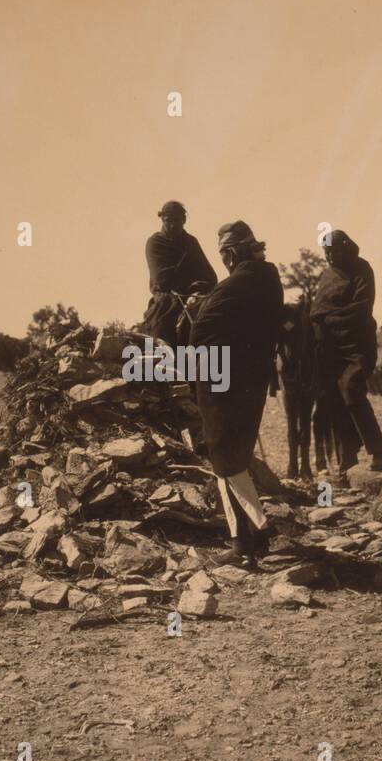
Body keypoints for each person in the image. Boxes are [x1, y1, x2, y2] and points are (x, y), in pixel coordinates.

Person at [190, 221, 284, 565]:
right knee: (231, 458)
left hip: (222, 382)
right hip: (251, 381)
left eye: (225, 255)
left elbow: (203, 328)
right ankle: (247, 538)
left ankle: (253, 535)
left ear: (231, 254)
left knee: (224, 458)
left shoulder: (237, 282)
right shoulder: (267, 279)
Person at [309, 229, 382, 475]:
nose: (331, 256)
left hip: (357, 345)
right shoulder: (326, 275)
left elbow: (362, 307)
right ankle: (348, 457)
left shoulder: (362, 269)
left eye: (334, 250)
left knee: (352, 390)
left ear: (346, 247)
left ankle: (378, 451)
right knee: (333, 399)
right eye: (326, 252)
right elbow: (315, 311)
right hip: (329, 349)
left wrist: (327, 320)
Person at [141, 200, 218, 348]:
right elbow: (162, 279)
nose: (172, 225)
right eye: (168, 221)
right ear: (162, 220)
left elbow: (210, 276)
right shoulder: (155, 243)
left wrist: (197, 290)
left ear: (184, 220)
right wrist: (190, 279)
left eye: (177, 220)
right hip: (166, 300)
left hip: (195, 297)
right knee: (162, 339)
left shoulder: (191, 242)